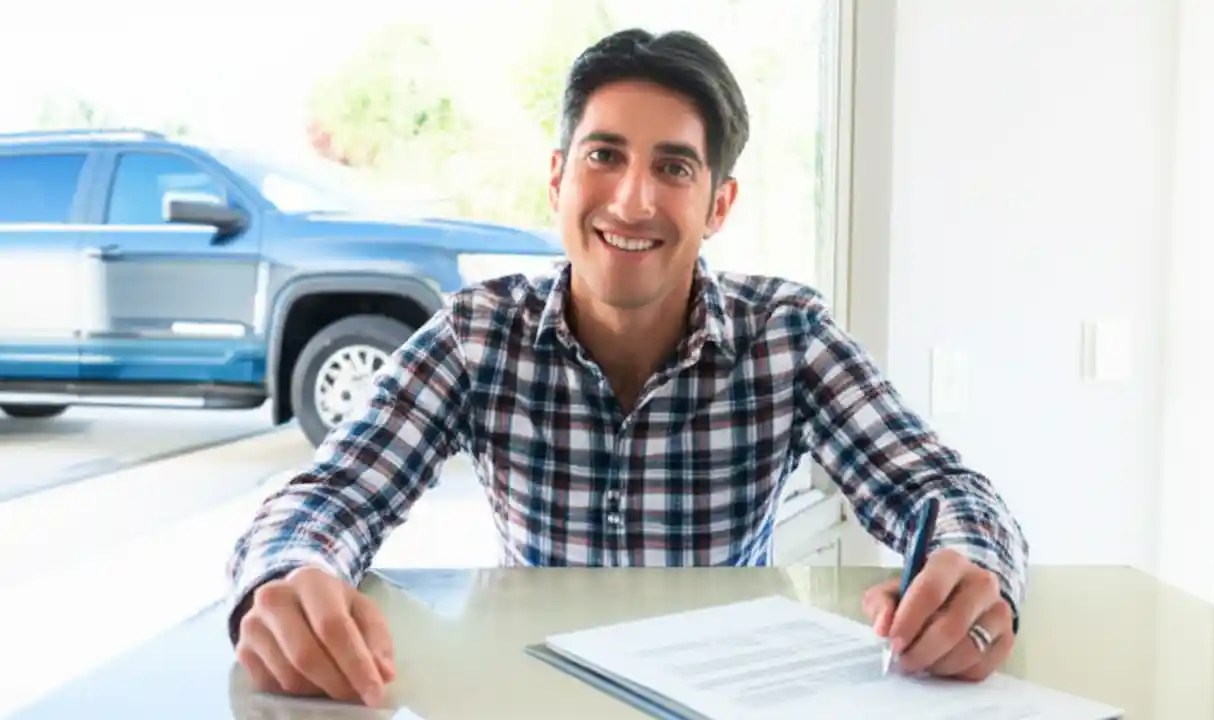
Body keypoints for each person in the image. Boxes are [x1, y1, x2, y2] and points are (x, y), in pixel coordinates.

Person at [226, 27, 1029, 708]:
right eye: (604, 155)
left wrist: (970, 566)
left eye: (674, 168)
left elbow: (942, 491)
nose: (632, 201)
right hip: (532, 693)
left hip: (729, 693)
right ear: (558, 178)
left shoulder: (787, 336)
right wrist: (289, 573)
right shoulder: (477, 335)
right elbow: (332, 494)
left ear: (718, 206)